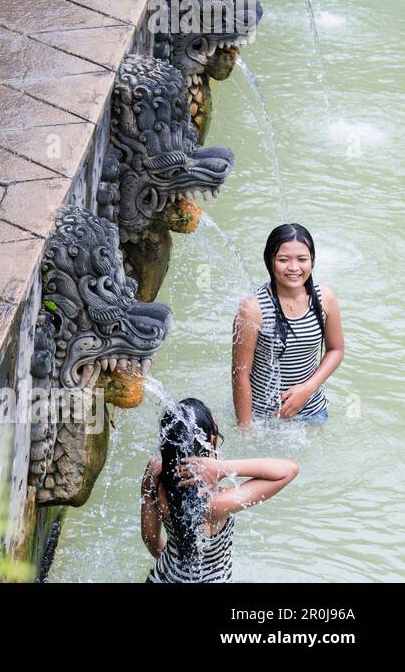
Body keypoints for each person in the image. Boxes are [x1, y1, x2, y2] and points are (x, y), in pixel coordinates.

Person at [141, 398, 298, 583]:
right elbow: (289, 470)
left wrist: (177, 565)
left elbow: (149, 539)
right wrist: (222, 468)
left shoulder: (154, 476)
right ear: (211, 439)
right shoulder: (214, 504)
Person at [232, 223, 344, 427]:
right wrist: (245, 429)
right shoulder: (252, 309)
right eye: (284, 260)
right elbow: (240, 373)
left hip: (312, 411)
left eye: (302, 259)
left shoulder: (325, 299)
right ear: (270, 261)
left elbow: (336, 350)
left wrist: (307, 389)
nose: (294, 268)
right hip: (262, 417)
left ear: (312, 261)